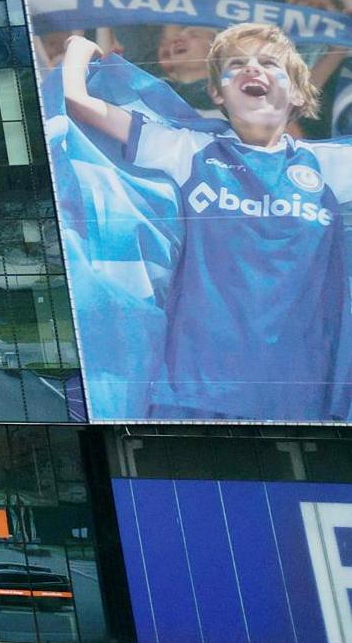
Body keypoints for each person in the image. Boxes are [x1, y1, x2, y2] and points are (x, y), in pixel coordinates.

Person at [59, 25, 352, 420]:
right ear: (218, 93)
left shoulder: (332, 168)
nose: (252, 70)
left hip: (298, 400)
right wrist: (78, 49)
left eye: (268, 63)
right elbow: (79, 102)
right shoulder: (187, 149)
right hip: (191, 393)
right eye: (236, 65)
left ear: (298, 91)